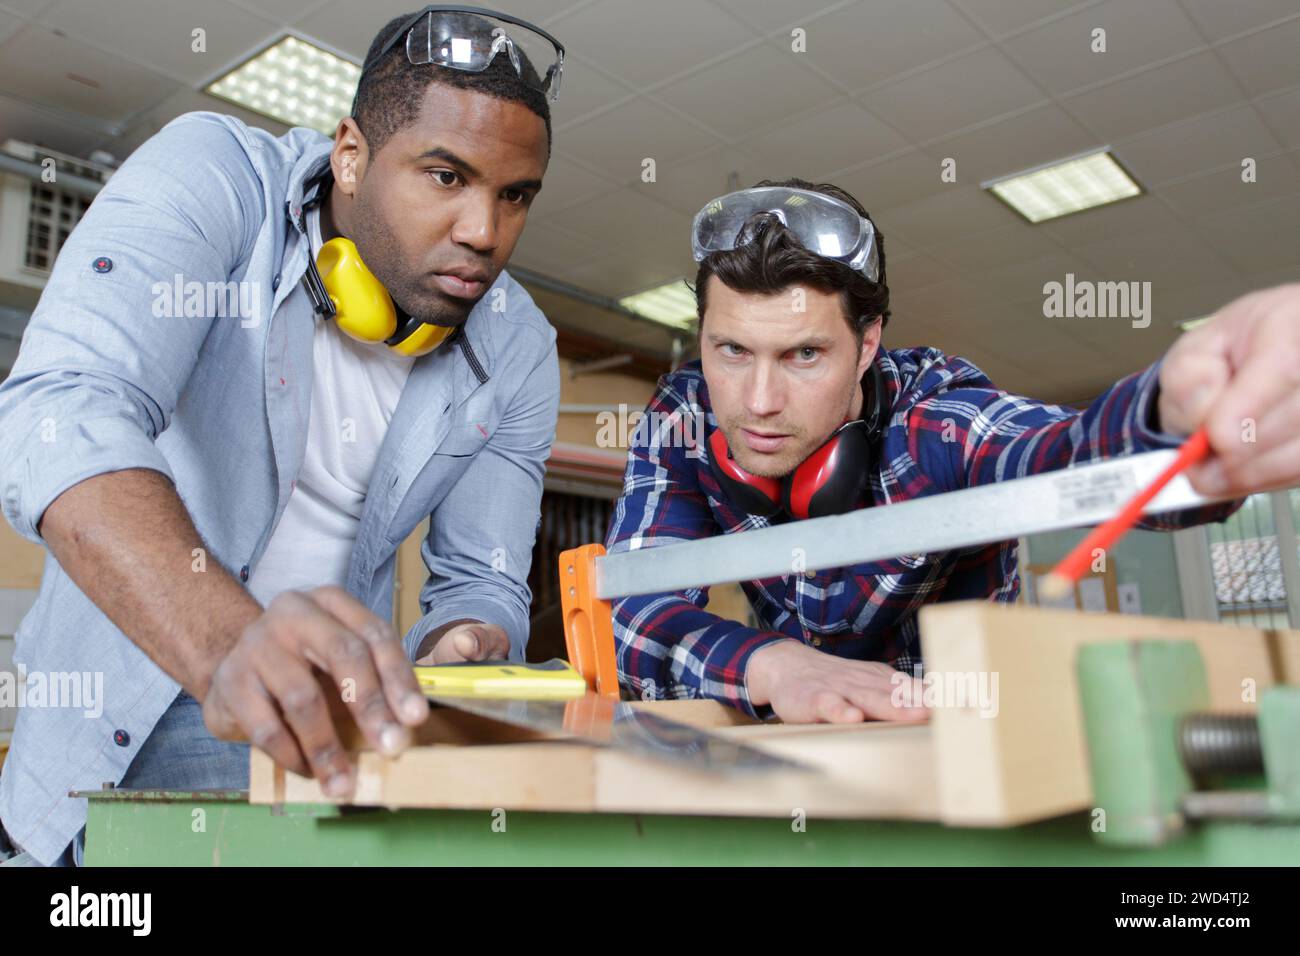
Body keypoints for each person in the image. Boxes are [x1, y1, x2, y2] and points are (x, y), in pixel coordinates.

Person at [0, 6, 565, 867]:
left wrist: (466, 636)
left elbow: (482, 579)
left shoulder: (518, 348)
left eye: (514, 195)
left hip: (320, 738)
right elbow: (65, 407)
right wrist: (232, 642)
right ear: (350, 154)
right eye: (447, 176)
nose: (484, 234)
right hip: (121, 701)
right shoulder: (218, 179)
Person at [606, 177, 1296, 725]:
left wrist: (1171, 417)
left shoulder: (937, 423)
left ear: (867, 344)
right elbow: (632, 620)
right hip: (809, 743)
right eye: (731, 350)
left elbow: (1067, 452)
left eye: (804, 354)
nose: (757, 401)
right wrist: (772, 666)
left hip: (966, 735)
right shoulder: (684, 418)